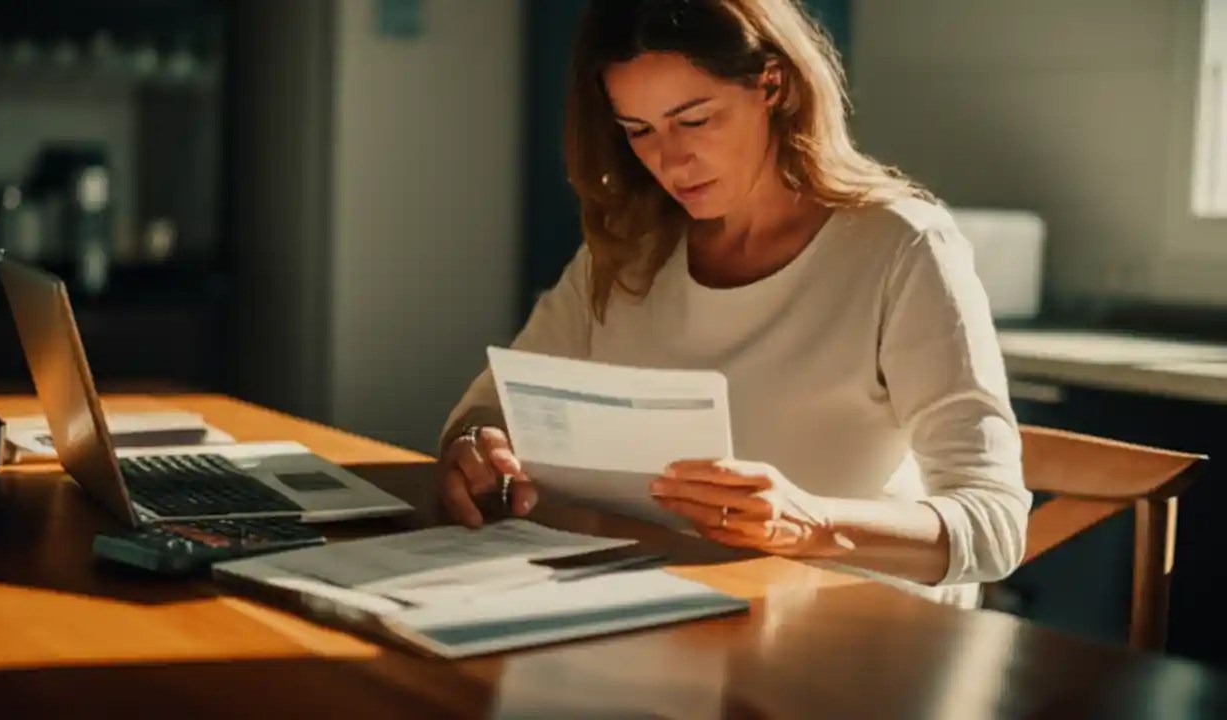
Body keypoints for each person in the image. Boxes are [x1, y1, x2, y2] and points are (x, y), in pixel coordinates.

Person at [437, 0, 1031, 607]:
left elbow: (995, 525)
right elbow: (489, 409)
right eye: (639, 130)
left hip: (848, 641)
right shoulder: (632, 244)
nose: (669, 160)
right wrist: (476, 445)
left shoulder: (902, 247)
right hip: (656, 611)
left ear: (772, 85)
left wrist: (811, 522)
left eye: (693, 119)